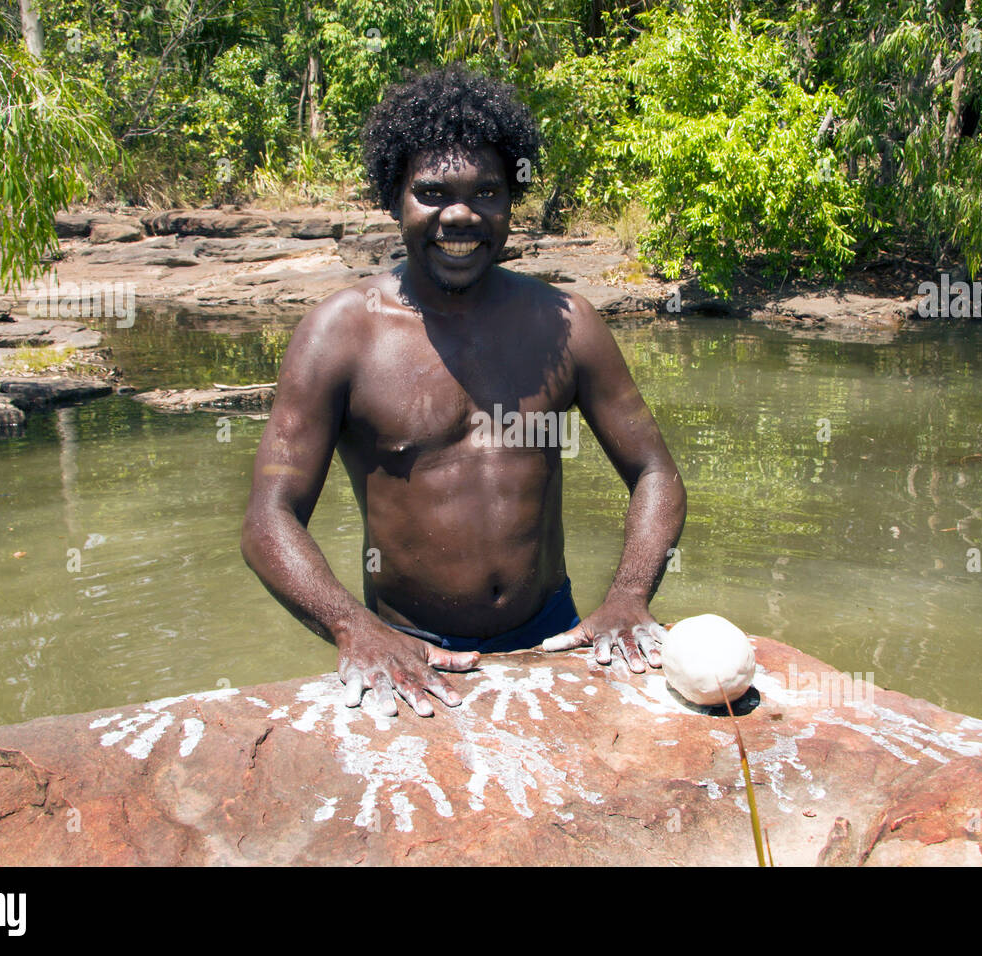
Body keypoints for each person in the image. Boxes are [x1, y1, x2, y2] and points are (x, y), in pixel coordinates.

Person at [241, 66, 686, 717]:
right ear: (393, 198)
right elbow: (267, 518)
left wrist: (627, 597)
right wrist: (354, 629)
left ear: (510, 203)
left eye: (487, 192)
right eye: (431, 192)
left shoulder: (565, 324)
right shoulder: (339, 335)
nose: (460, 214)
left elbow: (655, 471)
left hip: (556, 634)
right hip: (410, 650)